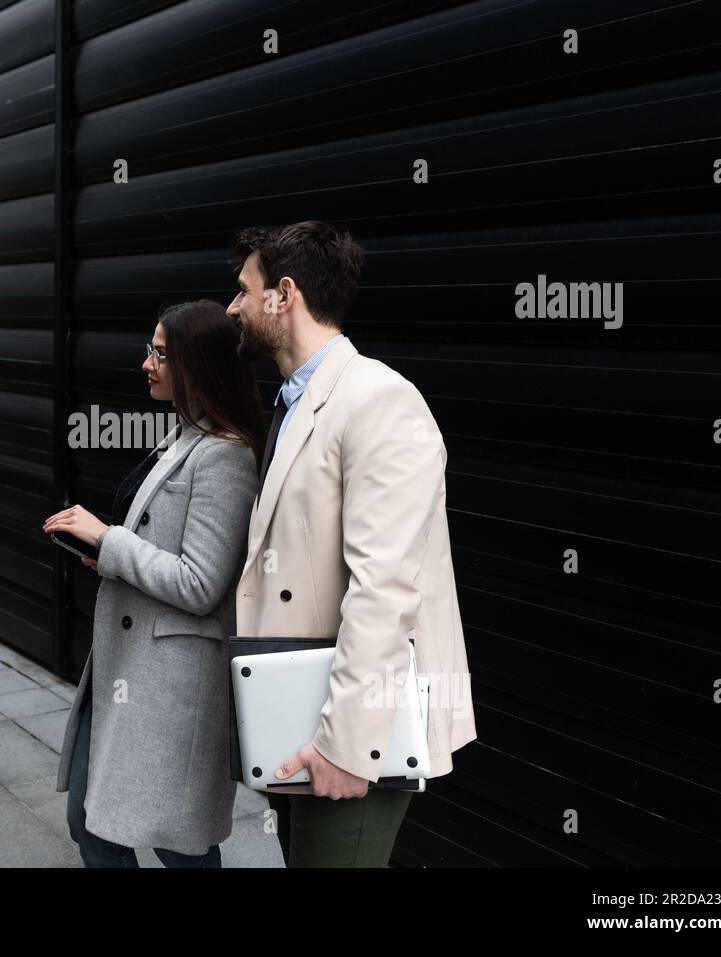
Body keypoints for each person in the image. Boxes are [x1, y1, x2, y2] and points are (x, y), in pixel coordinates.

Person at [227, 220, 477, 867]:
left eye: (244, 291)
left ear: (284, 294)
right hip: (299, 716)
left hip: (352, 734)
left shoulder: (380, 401)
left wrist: (347, 744)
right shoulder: (296, 401)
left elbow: (384, 590)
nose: (233, 308)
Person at [46, 299, 264, 867]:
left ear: (200, 365)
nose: (147, 363)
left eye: (161, 354)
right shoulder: (186, 435)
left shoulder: (226, 456)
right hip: (131, 665)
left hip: (172, 682)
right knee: (91, 817)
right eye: (150, 350)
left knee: (177, 839)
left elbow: (201, 583)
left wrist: (109, 542)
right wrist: (103, 553)